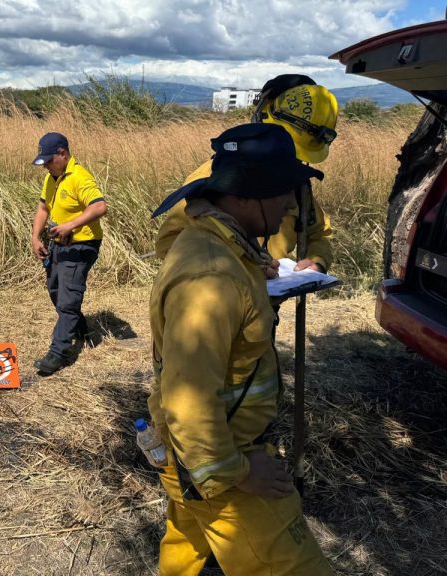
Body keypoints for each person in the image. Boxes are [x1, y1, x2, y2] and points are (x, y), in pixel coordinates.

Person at [147, 123, 334, 575]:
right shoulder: (211, 280)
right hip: (221, 462)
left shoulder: (221, 246)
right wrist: (240, 472)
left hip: (189, 457)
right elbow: (187, 401)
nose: (291, 203)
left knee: (184, 556)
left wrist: (256, 267)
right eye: (281, 193)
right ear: (246, 197)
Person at [154, 76, 338, 274]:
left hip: (266, 301)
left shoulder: (298, 187)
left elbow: (319, 233)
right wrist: (246, 268)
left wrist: (317, 261)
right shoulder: (216, 179)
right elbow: (168, 246)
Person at [30, 132, 107, 376]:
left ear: (62, 153)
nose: (46, 167)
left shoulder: (79, 177)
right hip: (58, 245)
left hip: (81, 245)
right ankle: (80, 327)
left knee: (67, 299)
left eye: (49, 161)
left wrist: (69, 225)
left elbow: (99, 206)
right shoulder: (53, 177)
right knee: (55, 289)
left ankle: (58, 353)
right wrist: (35, 236)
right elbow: (43, 207)